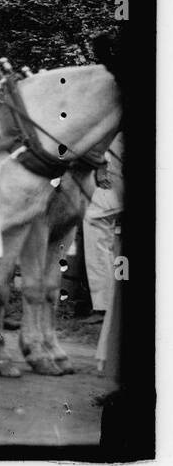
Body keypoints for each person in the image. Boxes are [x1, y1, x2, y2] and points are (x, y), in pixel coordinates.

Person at [82, 133, 124, 326]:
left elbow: (105, 134)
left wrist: (101, 165)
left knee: (95, 226)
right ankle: (108, 305)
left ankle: (103, 306)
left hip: (112, 175)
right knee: (108, 239)